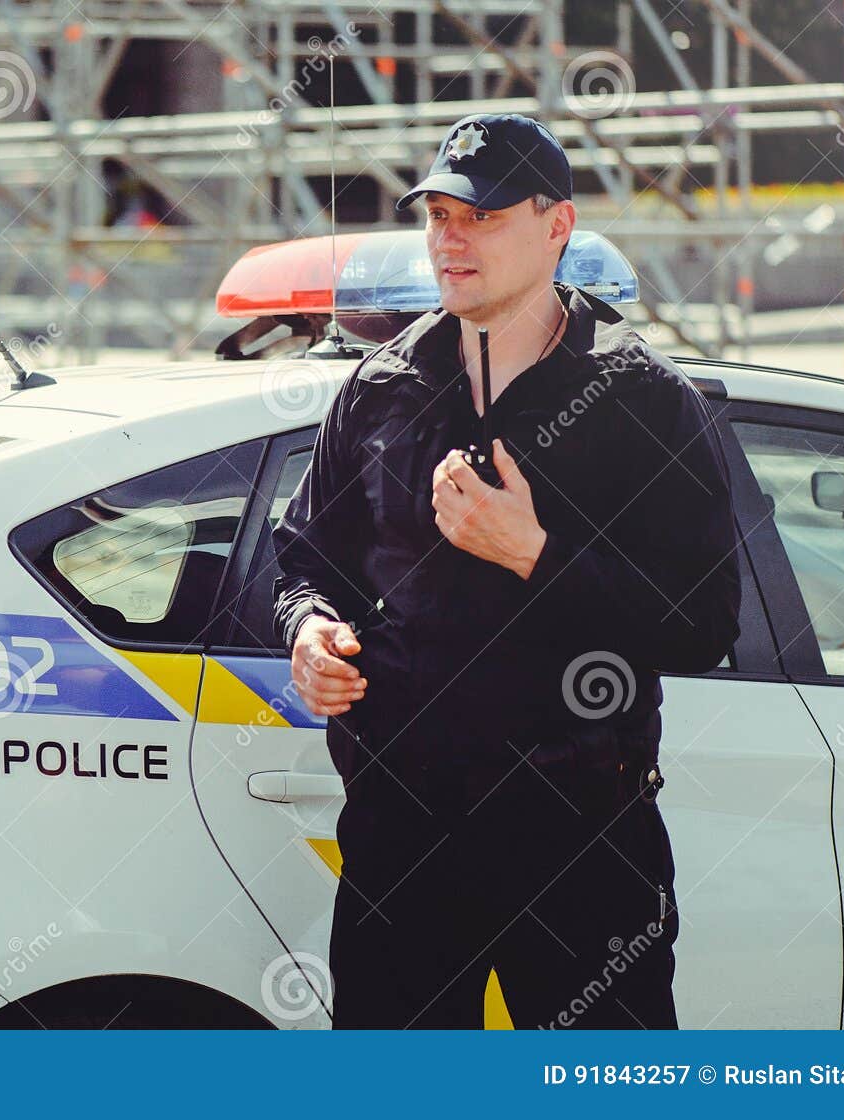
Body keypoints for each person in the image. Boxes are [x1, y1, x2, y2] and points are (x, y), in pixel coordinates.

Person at [273, 114, 741, 1029]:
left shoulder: (643, 400)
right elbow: (304, 559)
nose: (452, 238)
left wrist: (535, 555)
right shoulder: (380, 388)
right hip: (401, 838)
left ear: (556, 225)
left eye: (480, 217)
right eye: (439, 215)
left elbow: (705, 624)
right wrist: (307, 630)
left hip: (581, 844)